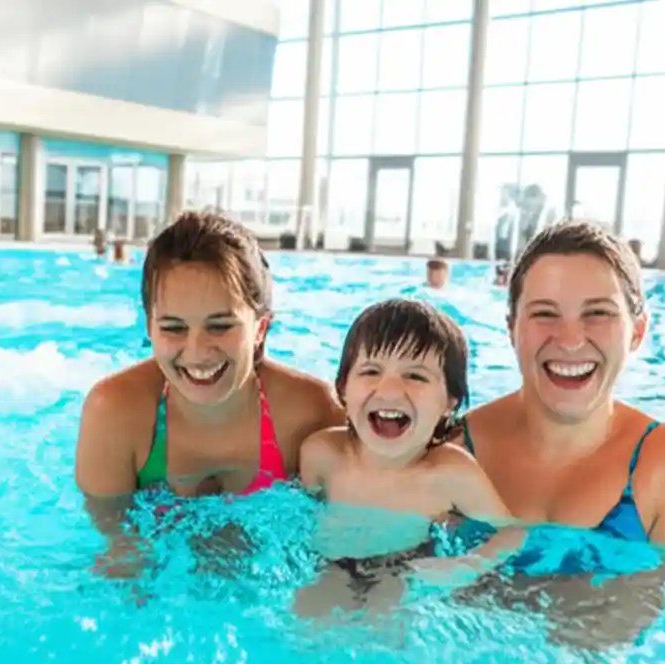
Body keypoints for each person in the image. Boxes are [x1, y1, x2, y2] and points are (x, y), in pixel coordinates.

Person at [75, 210, 345, 575]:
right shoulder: (115, 412)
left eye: (220, 326)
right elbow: (117, 542)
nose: (197, 351)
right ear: (149, 328)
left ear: (261, 328)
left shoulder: (311, 411)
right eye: (174, 327)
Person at [453, 220, 665, 549]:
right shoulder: (452, 450)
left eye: (598, 312)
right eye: (544, 313)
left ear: (637, 332)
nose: (570, 341)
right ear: (512, 329)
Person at [294, 298, 523, 616]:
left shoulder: (451, 473)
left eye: (415, 376)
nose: (389, 391)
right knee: (306, 625)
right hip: (328, 563)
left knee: (385, 624)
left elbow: (512, 532)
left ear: (450, 402)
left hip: (404, 568)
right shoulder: (321, 455)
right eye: (371, 371)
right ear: (343, 388)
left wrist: (467, 564)